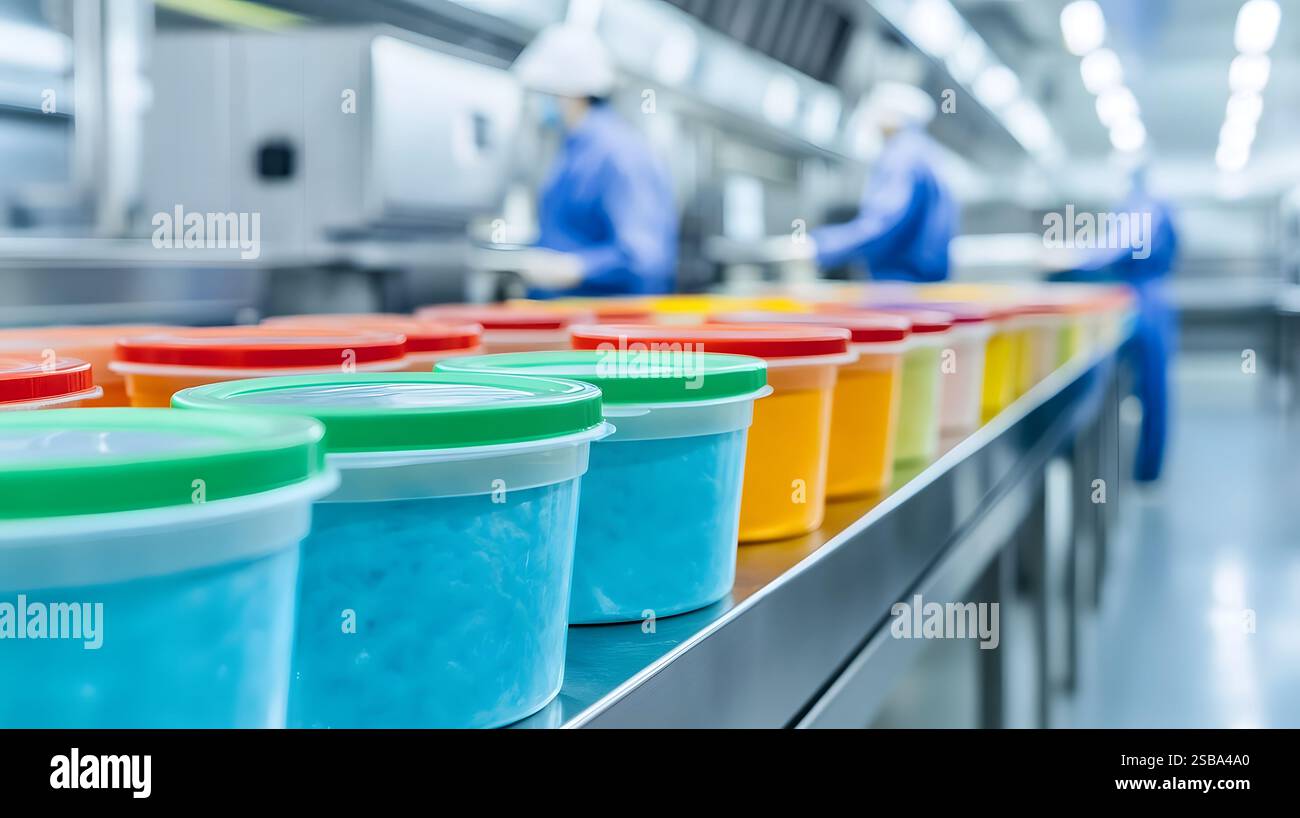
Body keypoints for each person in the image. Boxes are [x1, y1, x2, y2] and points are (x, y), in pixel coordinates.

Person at [506, 24, 677, 297]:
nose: (538, 102)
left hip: (607, 327)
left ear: (572, 92)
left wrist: (574, 268)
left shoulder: (619, 153)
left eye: (544, 91)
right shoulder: (573, 149)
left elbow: (645, 256)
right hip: (567, 319)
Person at [1052, 166, 1178, 482]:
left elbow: (1115, 247)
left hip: (1143, 300)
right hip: (1149, 296)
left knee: (1151, 385)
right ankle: (1148, 467)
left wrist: (1071, 258)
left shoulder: (1144, 206)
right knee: (1151, 384)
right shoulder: (1154, 204)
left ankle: (1148, 469)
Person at [780, 82, 958, 282]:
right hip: (928, 285)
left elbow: (882, 223)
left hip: (900, 285)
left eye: (877, 109)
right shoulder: (928, 153)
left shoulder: (900, 155)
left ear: (893, 116)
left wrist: (817, 245)